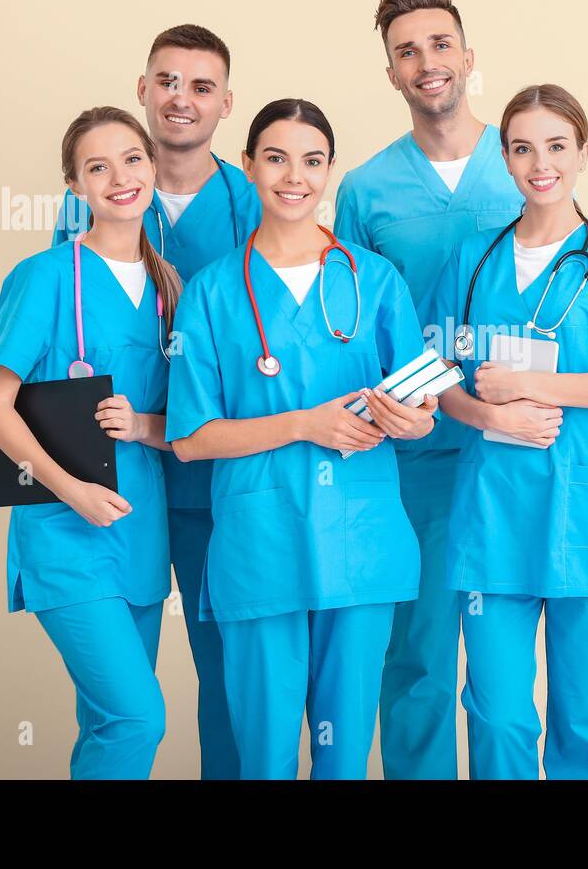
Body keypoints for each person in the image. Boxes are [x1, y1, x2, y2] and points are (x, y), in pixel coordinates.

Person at [419, 85, 588, 779]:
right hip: (493, 518)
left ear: (583, 154)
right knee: (498, 715)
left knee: (580, 722)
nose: (540, 163)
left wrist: (528, 384)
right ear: (505, 160)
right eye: (521, 148)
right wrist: (485, 412)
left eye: (556, 146)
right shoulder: (473, 260)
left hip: (586, 517)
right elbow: (436, 377)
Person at [166, 99, 437, 779]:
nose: (295, 177)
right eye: (277, 158)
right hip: (261, 547)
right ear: (251, 166)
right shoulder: (212, 291)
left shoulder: (374, 281)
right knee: (262, 755)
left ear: (329, 172)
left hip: (360, 542)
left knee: (342, 756)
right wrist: (303, 424)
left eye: (312, 161)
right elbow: (191, 439)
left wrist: (415, 420)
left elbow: (420, 408)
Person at [333, 0, 549, 780]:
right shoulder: (366, 189)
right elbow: (353, 326)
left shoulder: (526, 161)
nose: (428, 63)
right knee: (417, 657)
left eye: (440, 43)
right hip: (414, 454)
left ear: (468, 54)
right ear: (391, 72)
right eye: (407, 50)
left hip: (513, 451)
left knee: (502, 677)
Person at [51, 24, 259, 780]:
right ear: (143, 91)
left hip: (216, 480)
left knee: (230, 677)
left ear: (226, 103)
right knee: (121, 696)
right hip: (117, 482)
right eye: (167, 81)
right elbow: (61, 334)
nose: (181, 99)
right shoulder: (91, 199)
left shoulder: (253, 201)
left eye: (201, 86)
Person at [0, 106, 181, 779]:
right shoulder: (43, 277)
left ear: (153, 166)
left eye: (131, 159)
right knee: (136, 718)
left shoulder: (168, 285)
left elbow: (173, 419)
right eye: (98, 167)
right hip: (65, 532)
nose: (119, 178)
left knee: (104, 722)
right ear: (75, 186)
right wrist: (73, 491)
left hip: (141, 531)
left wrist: (145, 427)